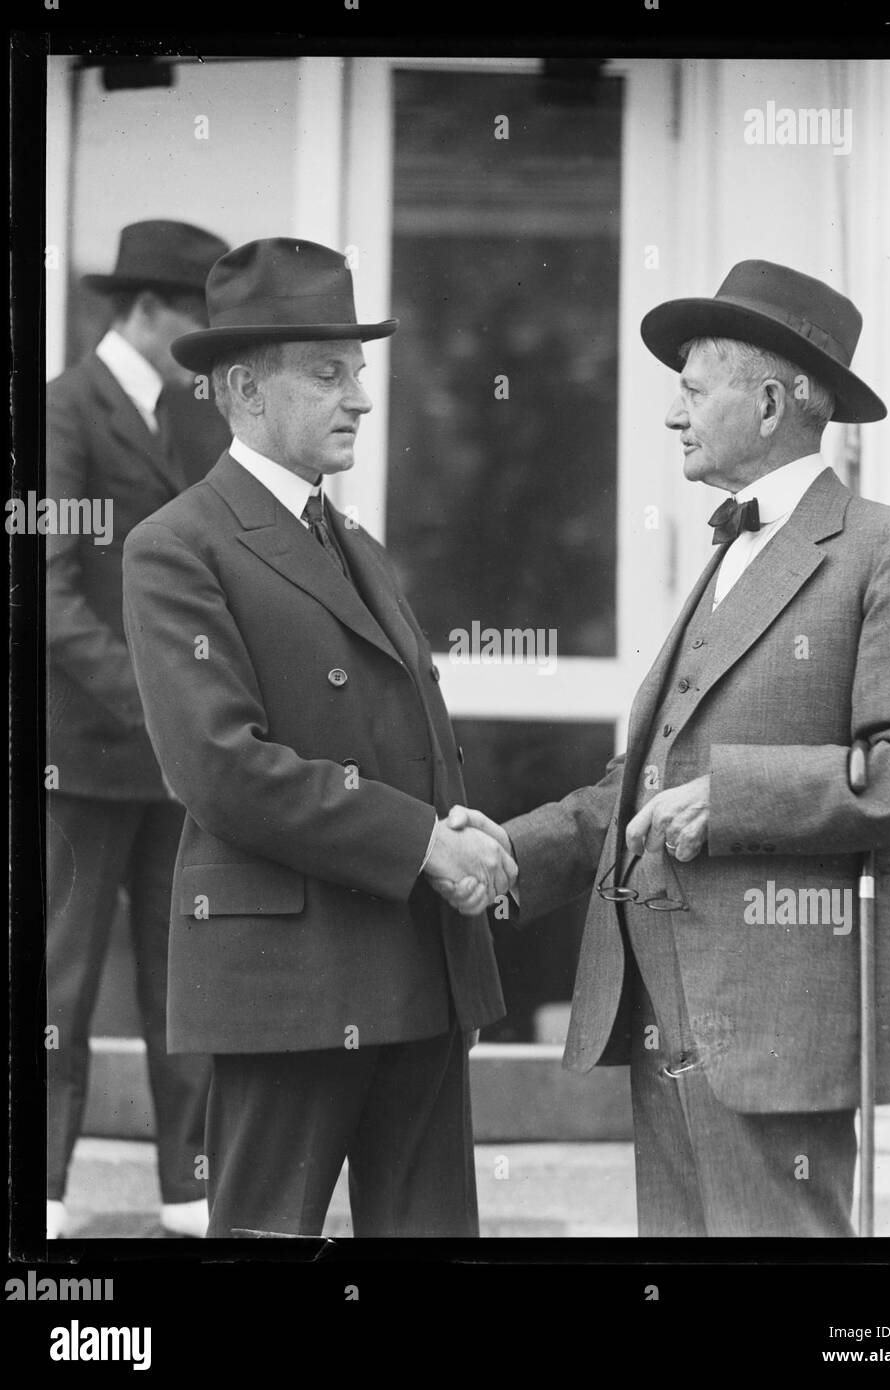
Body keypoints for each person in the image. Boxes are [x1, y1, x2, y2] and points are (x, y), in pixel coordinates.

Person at [446, 260, 890, 1237]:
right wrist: (510, 852)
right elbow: (643, 786)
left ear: (768, 403)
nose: (671, 417)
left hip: (775, 1029)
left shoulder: (886, 550)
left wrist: (728, 800)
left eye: (690, 390)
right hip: (663, 1012)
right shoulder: (727, 555)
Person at [121, 237, 513, 1238]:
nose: (360, 399)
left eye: (361, 374)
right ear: (245, 390)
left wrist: (462, 827)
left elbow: (400, 732)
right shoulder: (177, 546)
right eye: (328, 375)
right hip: (290, 984)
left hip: (418, 970)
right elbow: (221, 766)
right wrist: (424, 844)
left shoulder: (355, 544)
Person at [46, 219, 230, 1239]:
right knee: (56, 991)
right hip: (76, 758)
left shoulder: (187, 423)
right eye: (196, 316)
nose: (206, 341)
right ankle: (42, 1194)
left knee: (183, 984)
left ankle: (189, 1191)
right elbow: (46, 593)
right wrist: (159, 705)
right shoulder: (64, 411)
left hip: (171, 765)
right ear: (148, 310)